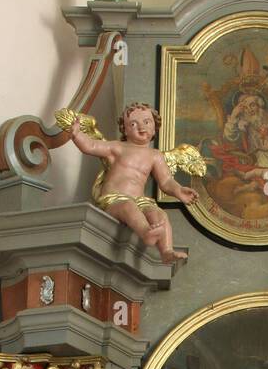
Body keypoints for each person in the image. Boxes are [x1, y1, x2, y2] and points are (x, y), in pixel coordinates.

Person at [67, 102, 197, 264]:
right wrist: (77, 135)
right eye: (133, 124)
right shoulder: (118, 147)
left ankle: (166, 251)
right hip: (114, 199)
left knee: (159, 214)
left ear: (155, 127)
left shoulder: (155, 156)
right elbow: (92, 146)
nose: (141, 127)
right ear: (125, 129)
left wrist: (178, 190)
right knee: (129, 206)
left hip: (140, 201)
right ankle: (146, 233)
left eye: (147, 122)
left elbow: (165, 181)